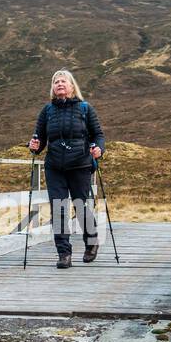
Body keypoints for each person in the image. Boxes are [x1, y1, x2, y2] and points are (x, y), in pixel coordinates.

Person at [28, 69, 106, 268]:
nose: (60, 84)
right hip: (54, 166)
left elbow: (98, 135)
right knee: (59, 209)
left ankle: (92, 242)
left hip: (80, 164)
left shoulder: (85, 108)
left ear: (72, 86)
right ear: (53, 88)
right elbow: (39, 138)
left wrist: (99, 149)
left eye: (63, 81)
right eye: (56, 82)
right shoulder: (47, 111)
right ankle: (64, 254)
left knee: (81, 206)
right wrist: (34, 146)